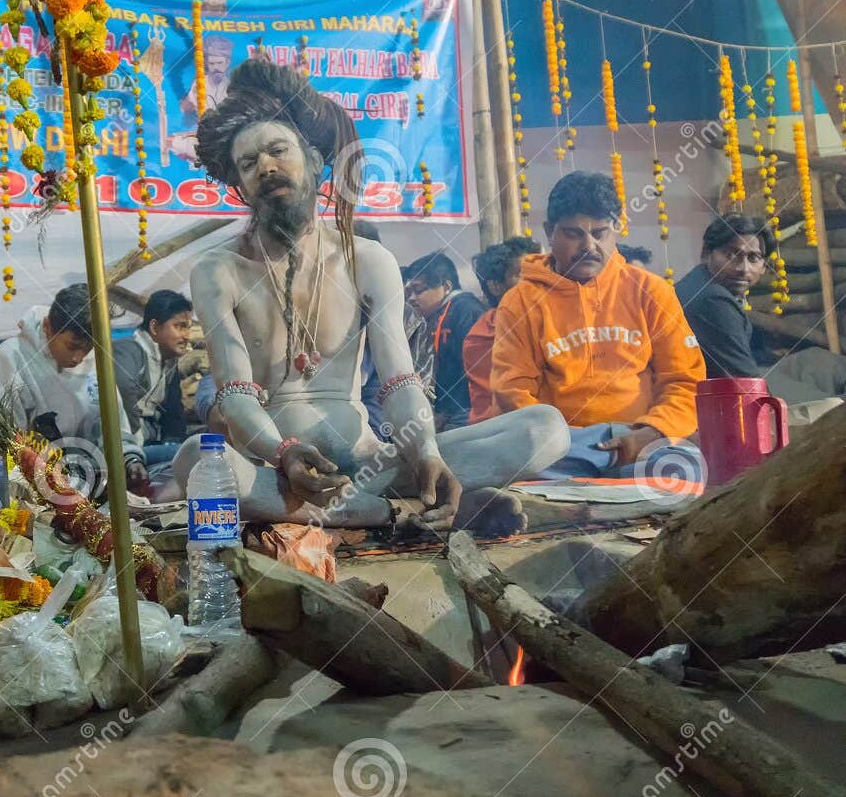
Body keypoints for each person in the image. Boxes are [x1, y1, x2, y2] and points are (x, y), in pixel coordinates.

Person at [176, 58, 567, 537]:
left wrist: (425, 451)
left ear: (315, 159)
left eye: (278, 150)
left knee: (545, 427)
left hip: (371, 464)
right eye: (249, 164)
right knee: (195, 460)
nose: (267, 168)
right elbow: (234, 398)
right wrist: (283, 453)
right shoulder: (217, 271)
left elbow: (400, 379)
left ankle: (392, 497)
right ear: (239, 185)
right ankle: (394, 514)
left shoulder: (368, 259)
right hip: (278, 472)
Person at [491, 172, 703, 477]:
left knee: (691, 468)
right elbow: (513, 392)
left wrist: (652, 431)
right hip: (562, 447)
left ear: (616, 228)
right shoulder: (520, 302)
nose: (589, 245)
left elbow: (684, 381)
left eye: (600, 232)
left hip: (640, 439)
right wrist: (562, 443)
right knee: (517, 462)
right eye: (574, 233)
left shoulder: (652, 291)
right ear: (550, 232)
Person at [677, 215, 846, 421]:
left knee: (824, 361)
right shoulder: (713, 299)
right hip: (737, 402)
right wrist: (779, 416)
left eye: (753, 258)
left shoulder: (697, 283)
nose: (743, 269)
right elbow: (746, 385)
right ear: (707, 253)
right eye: (731, 255)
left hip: (747, 381)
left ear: (764, 266)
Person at [0, 283, 146, 496]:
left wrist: (129, 459)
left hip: (90, 478)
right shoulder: (10, 360)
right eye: (72, 346)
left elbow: (113, 427)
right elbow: (4, 446)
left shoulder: (95, 362)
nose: (78, 358)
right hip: (33, 486)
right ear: (47, 327)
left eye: (87, 348)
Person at [353, 221, 432, 437]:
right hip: (340, 403)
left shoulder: (408, 316)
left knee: (376, 441)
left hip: (387, 400)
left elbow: (419, 376)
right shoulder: (331, 306)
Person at [402, 251, 485, 432]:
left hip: (466, 412)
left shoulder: (467, 311)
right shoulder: (435, 314)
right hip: (447, 412)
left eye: (419, 290)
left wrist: (447, 412)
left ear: (446, 286)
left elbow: (472, 369)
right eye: (410, 292)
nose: (412, 298)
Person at [111, 289, 195, 467]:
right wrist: (134, 446)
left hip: (151, 444)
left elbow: (174, 413)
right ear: (154, 327)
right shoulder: (128, 350)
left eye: (188, 327)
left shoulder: (169, 361)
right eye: (179, 326)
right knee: (203, 451)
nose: (187, 336)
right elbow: (124, 389)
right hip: (127, 449)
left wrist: (172, 442)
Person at [463, 236, 540, 424]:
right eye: (523, 274)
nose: (538, 281)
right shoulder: (483, 335)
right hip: (505, 433)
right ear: (496, 286)